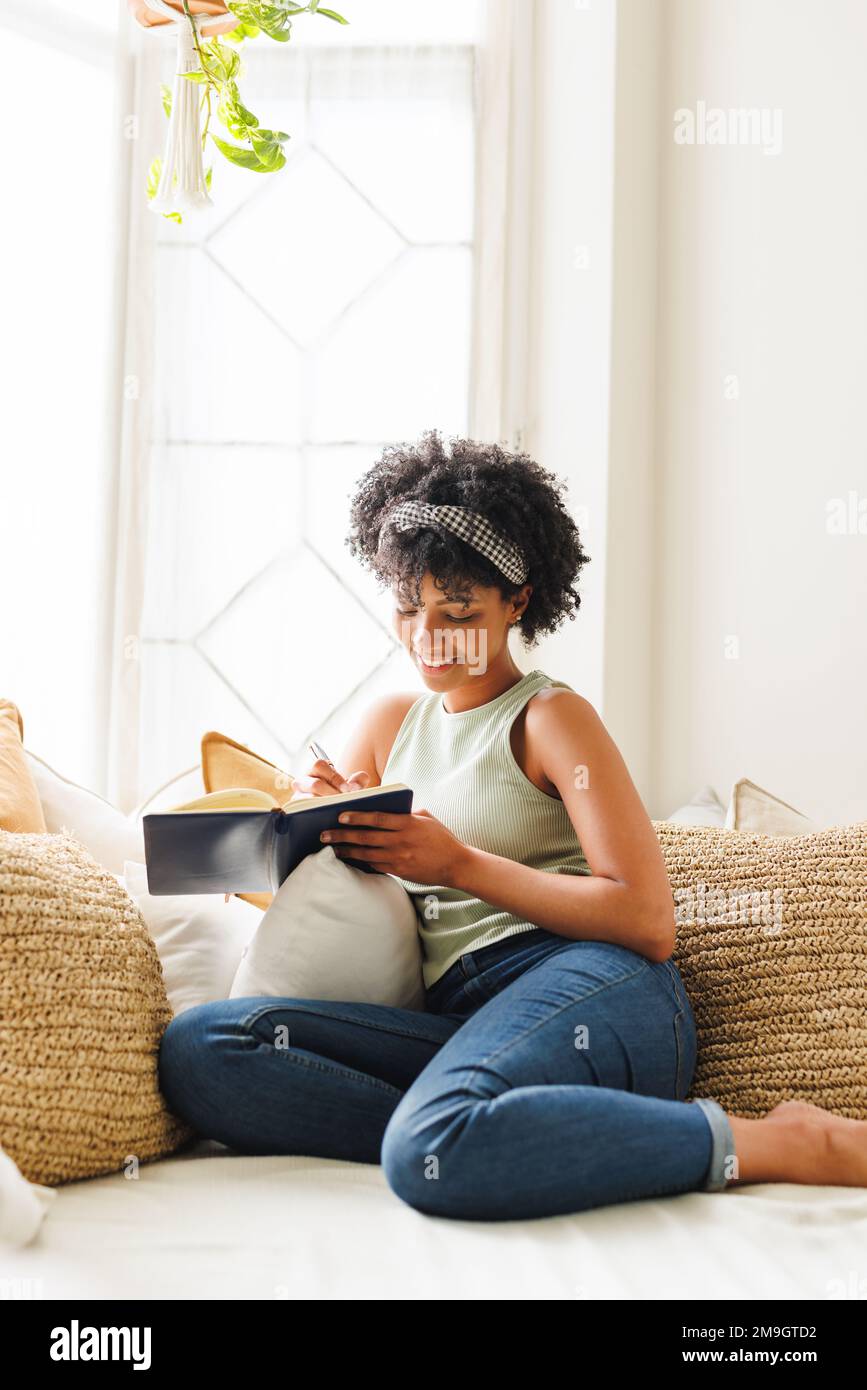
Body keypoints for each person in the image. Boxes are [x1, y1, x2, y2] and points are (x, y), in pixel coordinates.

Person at [158, 432, 867, 1220]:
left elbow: (647, 919)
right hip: (464, 1025)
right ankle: (497, 1132)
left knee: (433, 1148)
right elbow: (334, 883)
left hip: (591, 988)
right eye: (407, 607)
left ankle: (783, 1142)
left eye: (456, 610)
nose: (427, 635)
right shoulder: (388, 723)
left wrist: (458, 864)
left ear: (516, 601)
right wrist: (297, 831)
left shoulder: (549, 719)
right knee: (203, 1050)